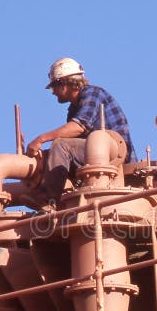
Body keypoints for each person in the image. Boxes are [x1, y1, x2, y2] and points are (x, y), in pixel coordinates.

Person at [26, 57, 136, 208]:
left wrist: (40, 139)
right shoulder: (73, 108)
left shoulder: (92, 93)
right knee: (60, 148)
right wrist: (40, 157)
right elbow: (72, 146)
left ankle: (48, 201)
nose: (53, 93)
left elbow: (78, 127)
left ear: (64, 84)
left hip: (114, 158)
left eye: (54, 88)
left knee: (61, 145)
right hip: (95, 158)